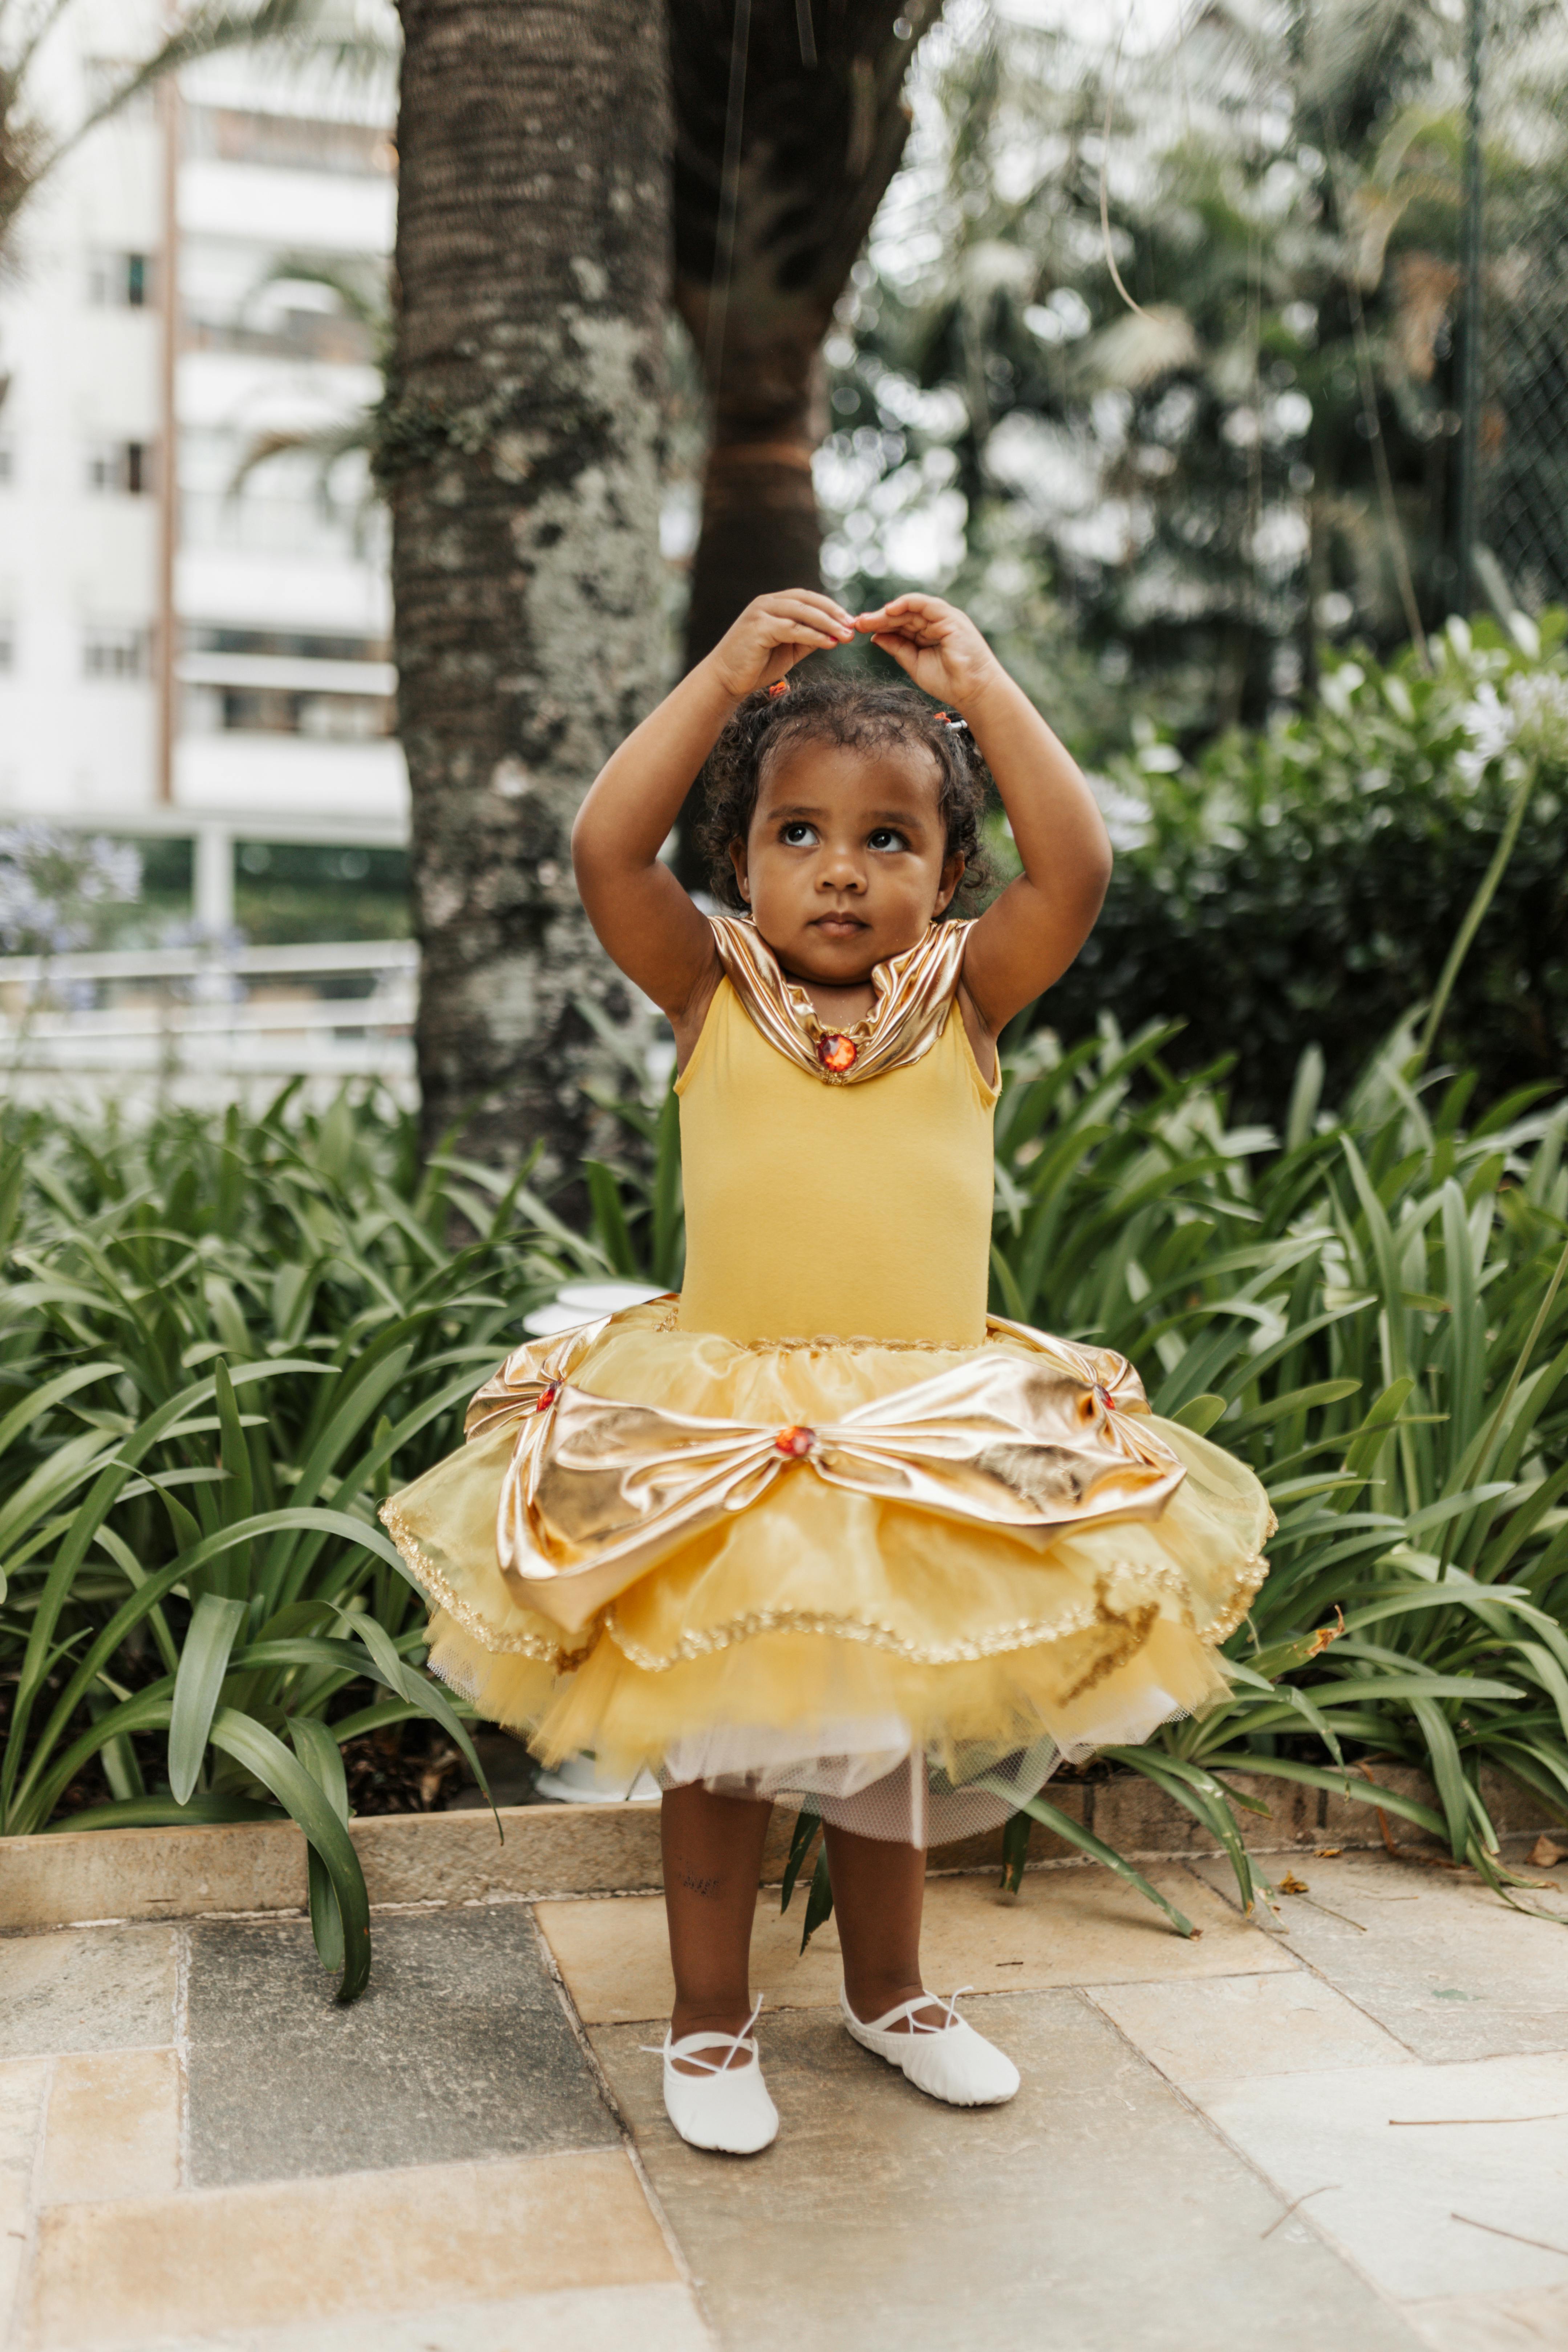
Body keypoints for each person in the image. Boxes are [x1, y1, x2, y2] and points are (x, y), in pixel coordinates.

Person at [382, 589, 1272, 2157]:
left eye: (887, 838)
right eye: (797, 832)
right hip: (732, 1431)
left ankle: (895, 1993)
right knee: (721, 1739)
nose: (842, 866)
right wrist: (727, 673)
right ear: (740, 860)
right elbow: (604, 851)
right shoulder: (710, 988)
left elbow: (1083, 865)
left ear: (946, 872)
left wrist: (983, 684)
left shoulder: (970, 998)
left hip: (926, 1432)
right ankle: (711, 2018)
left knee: (898, 1737)